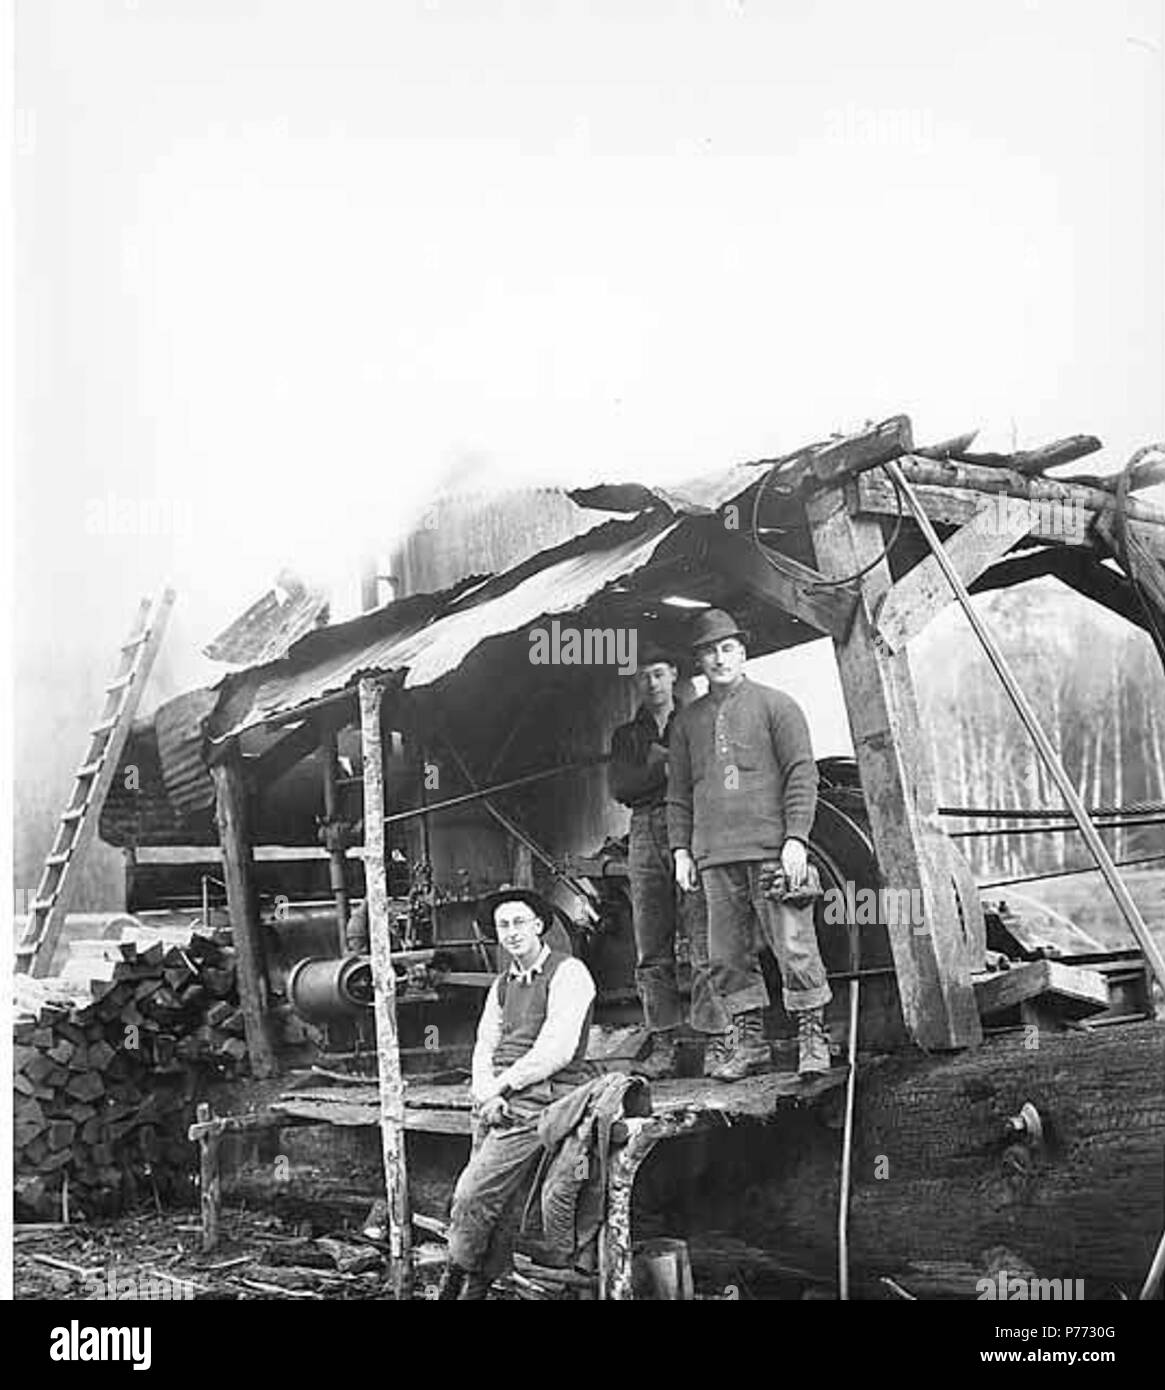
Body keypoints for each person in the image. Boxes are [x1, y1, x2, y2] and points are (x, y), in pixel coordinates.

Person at [667, 609, 832, 1082]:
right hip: (714, 857)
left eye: (726, 648)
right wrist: (681, 850)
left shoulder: (777, 705)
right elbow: (678, 793)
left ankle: (812, 1039)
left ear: (743, 651)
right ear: (698, 661)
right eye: (708, 652)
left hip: (770, 851)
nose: (718, 659)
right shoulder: (686, 723)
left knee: (794, 947)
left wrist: (796, 839)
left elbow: (803, 771)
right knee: (725, 956)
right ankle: (751, 1044)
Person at [437, 886, 597, 1300]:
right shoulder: (502, 986)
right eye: (502, 925)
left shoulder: (569, 973)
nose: (511, 932)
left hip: (543, 1096)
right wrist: (484, 1091)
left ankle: (454, 1278)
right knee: (499, 1201)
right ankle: (478, 1285)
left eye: (519, 922)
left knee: (472, 1193)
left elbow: (556, 1050)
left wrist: (504, 1087)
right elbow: (484, 1044)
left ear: (539, 926)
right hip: (498, 1099)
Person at [609, 642, 729, 1079]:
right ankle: (663, 1044)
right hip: (642, 833)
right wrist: (665, 768)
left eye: (658, 673)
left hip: (694, 826)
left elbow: (706, 776)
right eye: (642, 676)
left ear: (674, 675)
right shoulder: (626, 736)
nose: (651, 682)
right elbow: (622, 788)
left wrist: (659, 770)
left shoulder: (697, 719)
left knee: (703, 939)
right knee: (651, 945)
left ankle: (718, 1042)